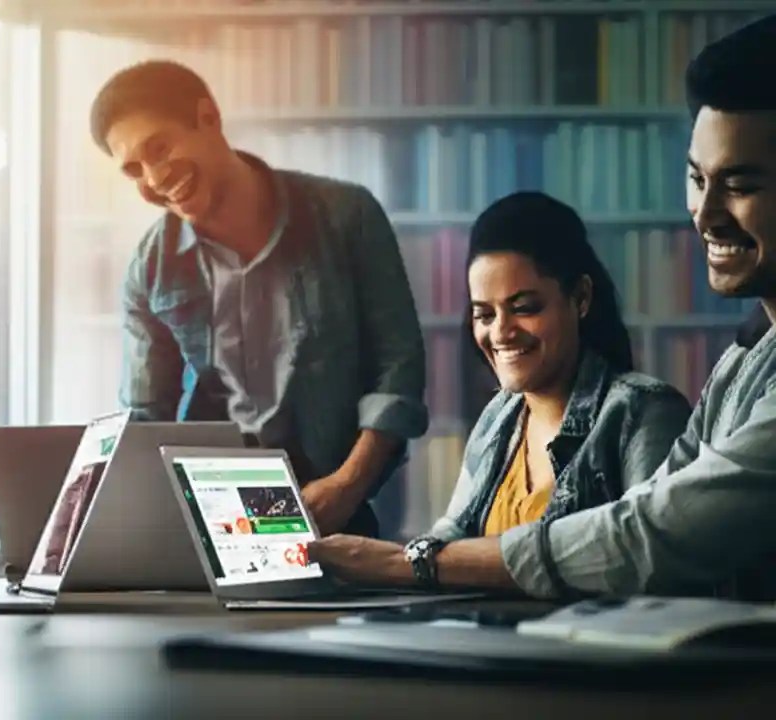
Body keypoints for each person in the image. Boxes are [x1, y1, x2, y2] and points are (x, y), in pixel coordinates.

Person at [308, 15, 776, 600]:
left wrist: (410, 563)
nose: (705, 216)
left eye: (741, 184)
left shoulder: (640, 410)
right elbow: (648, 507)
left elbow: (648, 538)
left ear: (579, 298)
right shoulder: (745, 358)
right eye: (696, 179)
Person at [94, 61, 428, 538]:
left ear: (208, 117)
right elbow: (147, 417)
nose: (154, 177)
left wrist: (348, 484)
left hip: (335, 507)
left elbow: (399, 369)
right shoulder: (150, 266)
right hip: (207, 515)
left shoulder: (346, 217)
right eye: (134, 169)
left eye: (159, 147)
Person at [427, 191, 690, 542]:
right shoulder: (498, 417)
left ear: (580, 298)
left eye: (524, 308)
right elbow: (453, 531)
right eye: (484, 315)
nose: (501, 333)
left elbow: (650, 558)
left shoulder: (643, 414)